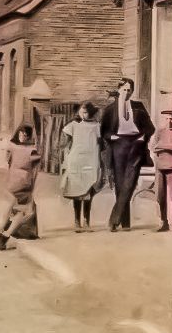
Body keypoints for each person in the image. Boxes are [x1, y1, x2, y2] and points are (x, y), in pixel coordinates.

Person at [100, 78, 154, 231]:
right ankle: (125, 223)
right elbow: (103, 131)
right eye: (124, 89)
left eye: (129, 90)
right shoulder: (110, 109)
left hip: (136, 145)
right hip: (118, 145)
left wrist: (143, 137)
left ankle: (114, 220)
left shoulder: (138, 107)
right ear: (118, 90)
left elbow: (150, 128)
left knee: (129, 182)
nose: (127, 92)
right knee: (120, 184)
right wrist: (112, 137)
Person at [0, 125, 41, 251]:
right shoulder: (32, 150)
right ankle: (5, 237)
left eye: (24, 134)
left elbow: (8, 160)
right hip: (23, 182)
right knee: (21, 211)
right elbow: (35, 170)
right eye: (22, 134)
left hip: (13, 180)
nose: (23, 136)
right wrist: (32, 186)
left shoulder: (12, 146)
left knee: (9, 208)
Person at [58, 102, 103, 232]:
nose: (83, 114)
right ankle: (77, 222)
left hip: (91, 161)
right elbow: (63, 143)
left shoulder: (97, 126)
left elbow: (101, 144)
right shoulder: (73, 125)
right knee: (77, 193)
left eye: (86, 112)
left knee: (88, 192)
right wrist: (64, 154)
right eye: (81, 112)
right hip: (76, 162)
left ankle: (87, 222)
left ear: (91, 113)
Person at [149, 108, 172, 233]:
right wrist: (166, 147)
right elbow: (153, 147)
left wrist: (161, 146)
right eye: (167, 118)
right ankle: (164, 222)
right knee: (160, 195)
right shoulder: (159, 131)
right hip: (160, 166)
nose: (169, 121)